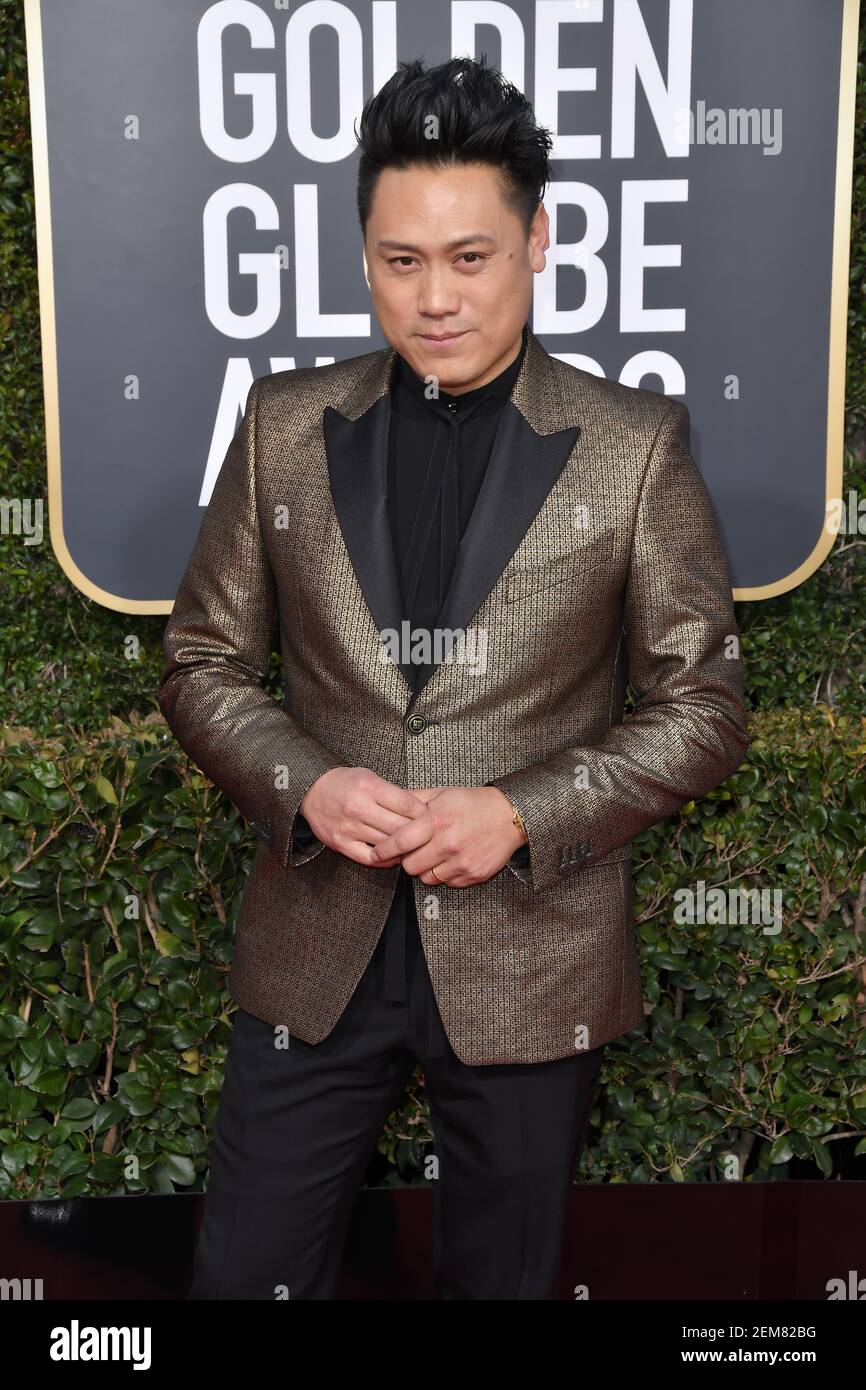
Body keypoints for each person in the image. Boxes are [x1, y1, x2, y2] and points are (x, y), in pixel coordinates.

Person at [158, 55, 748, 1300]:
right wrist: (305, 784)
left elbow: (702, 707)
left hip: (531, 956)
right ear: (365, 253)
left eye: (469, 258)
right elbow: (203, 664)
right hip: (317, 946)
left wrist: (522, 811)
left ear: (536, 242)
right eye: (400, 260)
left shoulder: (635, 447)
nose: (434, 298)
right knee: (243, 1275)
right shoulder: (279, 423)